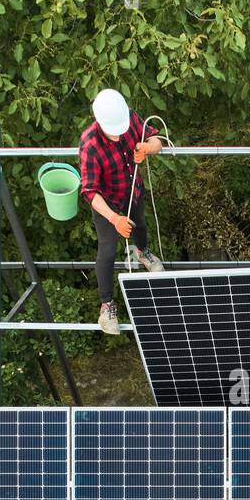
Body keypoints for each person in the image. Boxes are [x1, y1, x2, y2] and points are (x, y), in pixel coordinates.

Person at [79, 88, 165, 334]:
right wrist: (115, 218)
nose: (119, 135)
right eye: (113, 131)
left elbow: (158, 140)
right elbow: (89, 192)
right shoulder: (89, 143)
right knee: (107, 250)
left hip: (133, 189)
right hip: (107, 204)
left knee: (140, 225)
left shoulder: (126, 117)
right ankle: (106, 307)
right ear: (100, 122)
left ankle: (144, 253)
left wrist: (148, 148)